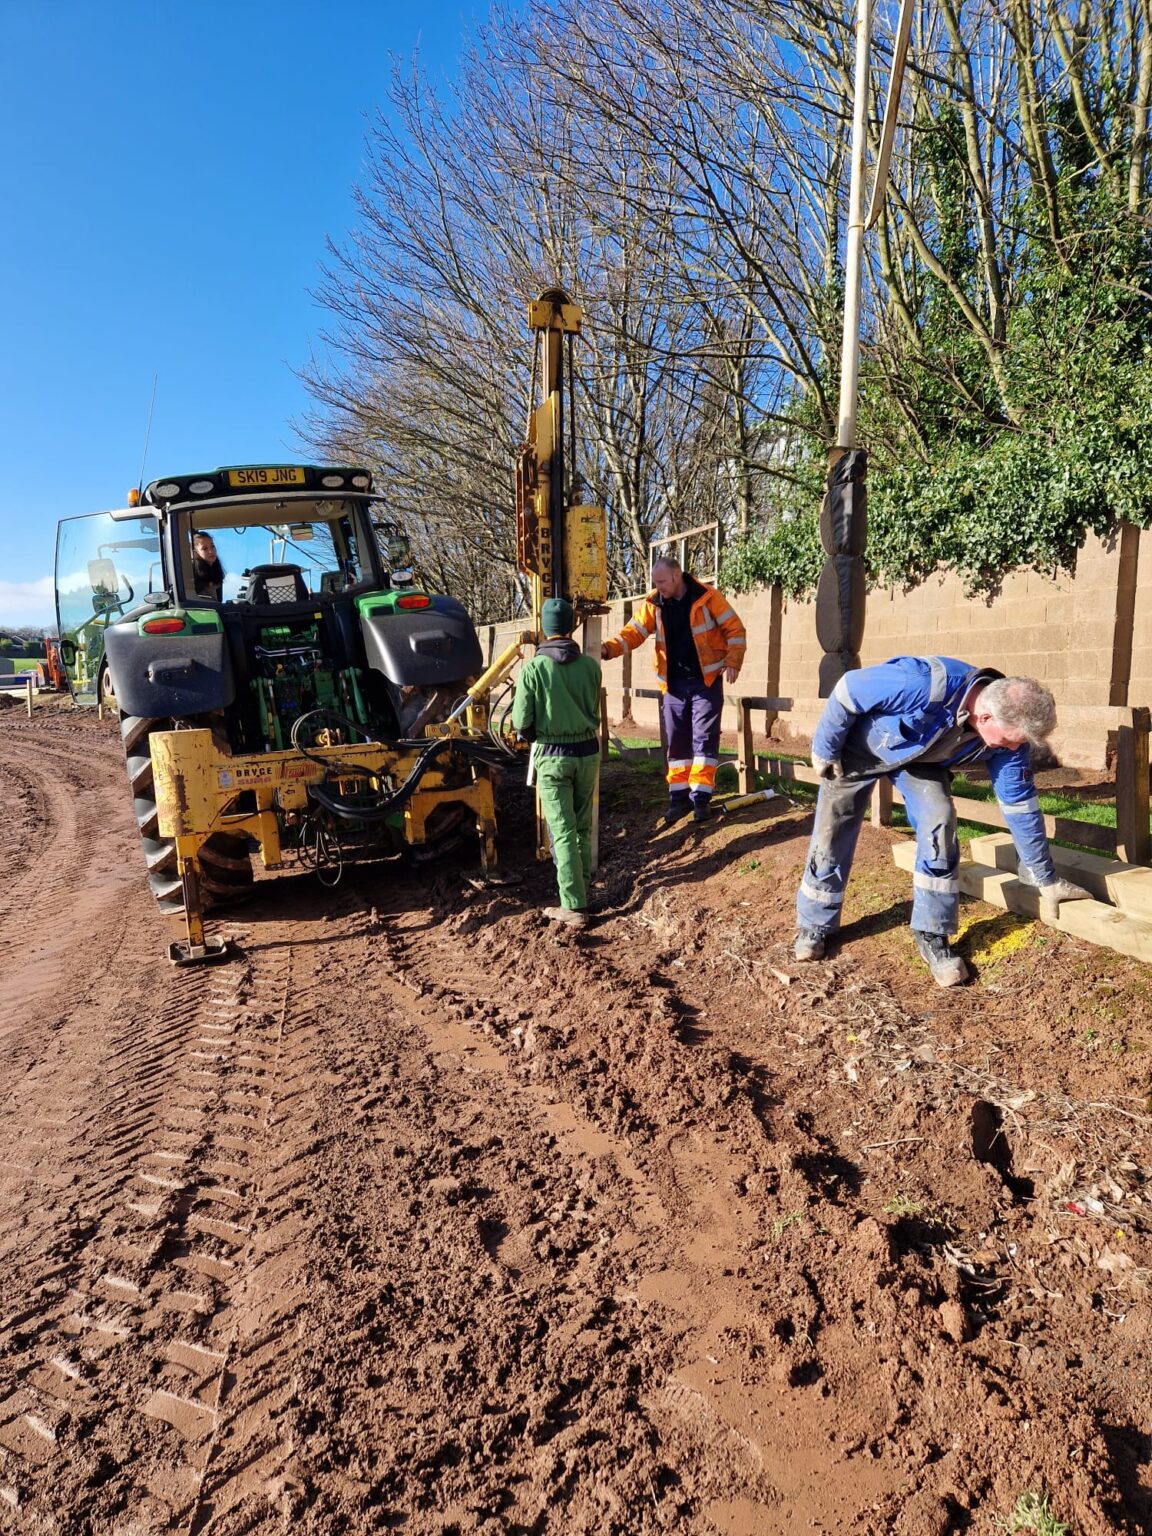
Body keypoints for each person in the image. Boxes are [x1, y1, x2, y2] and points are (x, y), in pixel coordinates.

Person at [793, 657, 1091, 987]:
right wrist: (824, 747)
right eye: (1010, 740)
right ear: (986, 716)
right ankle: (815, 923)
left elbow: (1020, 806)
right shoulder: (921, 683)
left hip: (921, 760)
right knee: (832, 829)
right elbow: (849, 689)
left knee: (940, 822)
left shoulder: (1009, 740)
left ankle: (932, 934)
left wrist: (1042, 876)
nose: (1014, 747)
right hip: (858, 750)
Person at [601, 556, 745, 823]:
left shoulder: (708, 597)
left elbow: (735, 629)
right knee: (676, 740)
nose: (658, 587)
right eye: (655, 582)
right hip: (673, 685)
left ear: (677, 577)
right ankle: (678, 799)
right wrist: (607, 649)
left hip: (706, 681)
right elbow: (633, 633)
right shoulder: (654, 603)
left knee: (703, 739)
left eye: (662, 582)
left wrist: (733, 661)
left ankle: (700, 800)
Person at [512, 597, 603, 930]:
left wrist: (535, 733)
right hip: (588, 754)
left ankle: (573, 905)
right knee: (581, 827)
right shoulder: (591, 666)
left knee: (561, 831)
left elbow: (522, 721)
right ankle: (581, 893)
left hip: (552, 756)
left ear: (544, 629)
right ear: (570, 627)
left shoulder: (535, 668)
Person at [191, 532, 225, 601]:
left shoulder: (216, 572)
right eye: (204, 548)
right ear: (195, 552)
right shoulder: (191, 574)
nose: (210, 551)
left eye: (212, 546)